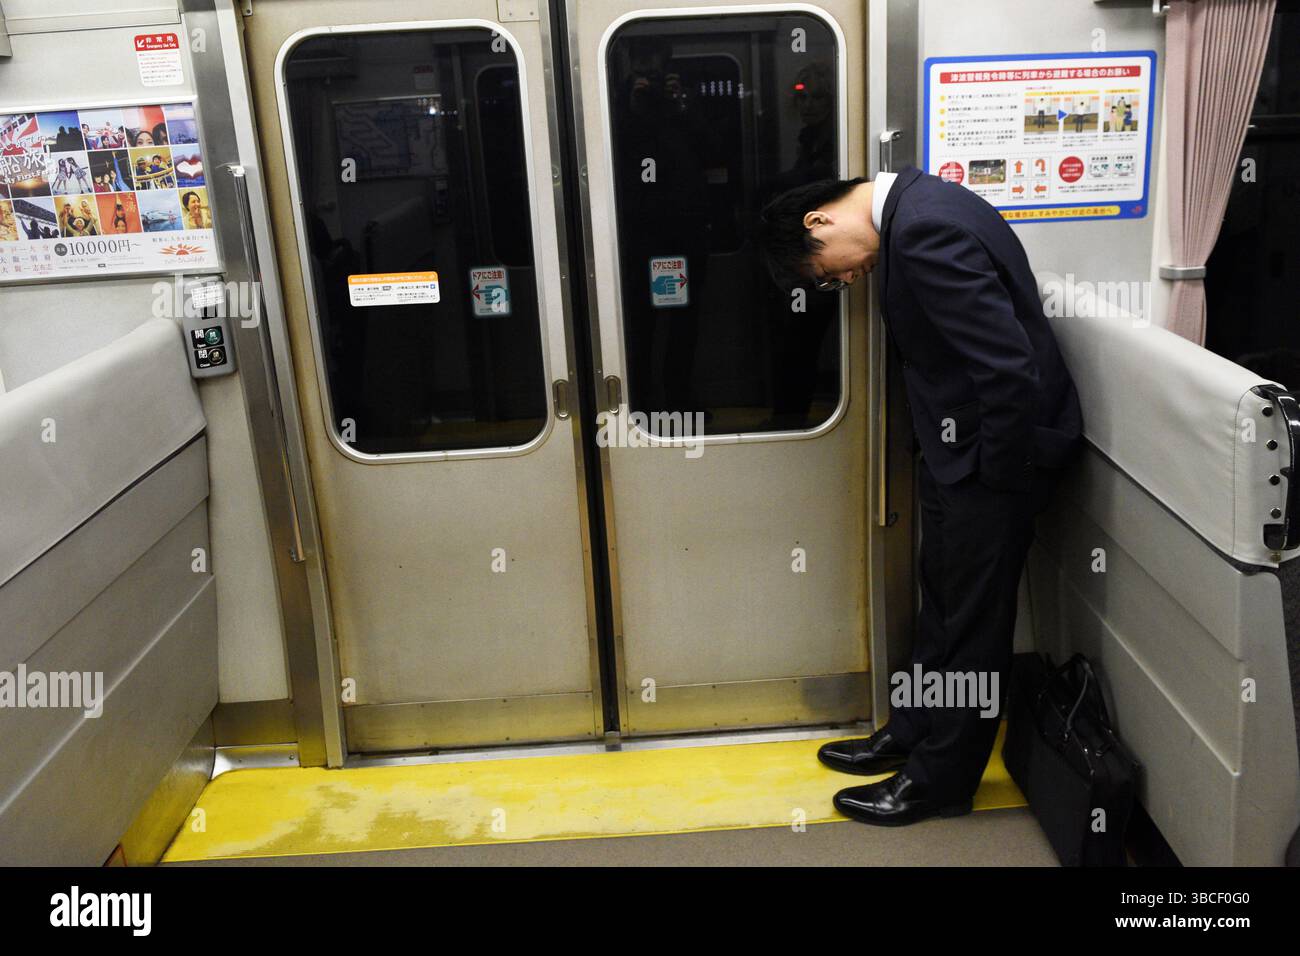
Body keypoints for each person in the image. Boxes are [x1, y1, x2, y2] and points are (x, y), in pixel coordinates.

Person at [755, 167, 1083, 826]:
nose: (843, 281)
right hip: (959, 456)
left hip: (991, 467)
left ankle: (942, 780)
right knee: (943, 604)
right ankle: (912, 731)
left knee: (972, 626)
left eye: (826, 273)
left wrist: (994, 473)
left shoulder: (924, 229)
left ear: (817, 221)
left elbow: (1005, 365)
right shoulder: (920, 205)